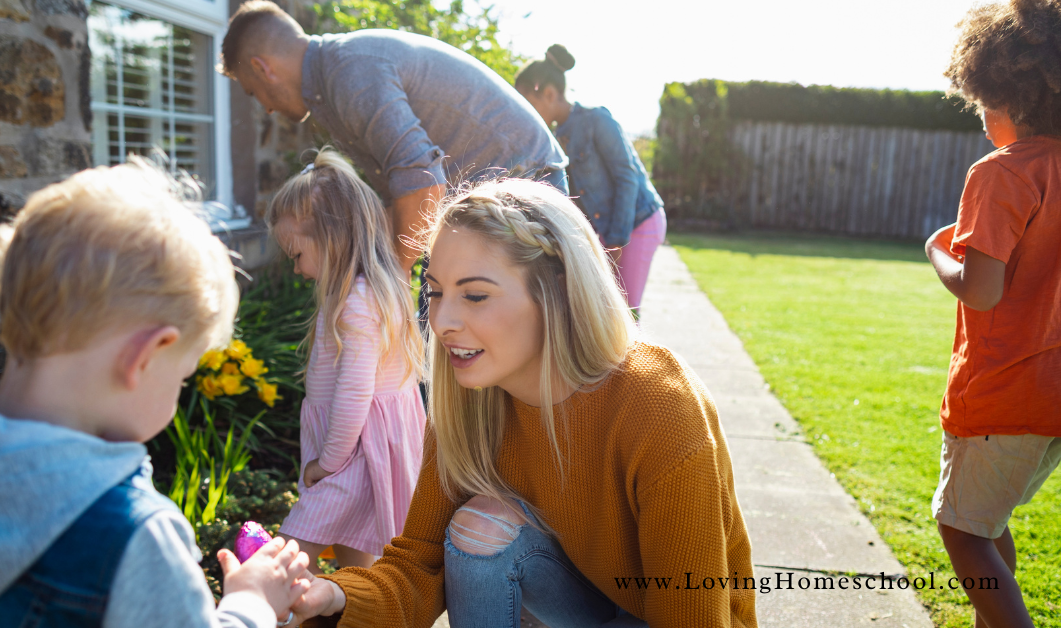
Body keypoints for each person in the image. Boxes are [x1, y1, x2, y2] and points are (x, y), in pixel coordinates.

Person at [0, 159, 312, 627]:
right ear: (147, 355)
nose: (178, 392)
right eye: (181, 378)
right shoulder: (135, 537)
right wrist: (251, 604)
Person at [290, 179, 756, 627]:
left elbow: (689, 617)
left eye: (475, 295)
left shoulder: (659, 405)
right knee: (482, 529)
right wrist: (333, 596)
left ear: (556, 288)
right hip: (576, 603)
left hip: (672, 615)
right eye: (434, 291)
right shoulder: (467, 401)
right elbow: (419, 566)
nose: (443, 320)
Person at [218, 0, 568, 274]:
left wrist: (392, 281)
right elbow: (403, 199)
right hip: (484, 195)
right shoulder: (332, 82)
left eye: (253, 92)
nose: (265, 109)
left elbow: (422, 184)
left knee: (451, 329)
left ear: (262, 68)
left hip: (527, 185)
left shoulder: (349, 74)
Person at [925, 1, 1061, 626]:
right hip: (1052, 401)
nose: (980, 115)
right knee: (991, 523)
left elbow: (980, 290)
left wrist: (937, 252)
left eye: (981, 100)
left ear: (1009, 93)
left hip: (1003, 394)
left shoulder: (1001, 173)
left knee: (963, 532)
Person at [265, 149, 427, 575]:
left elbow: (355, 393)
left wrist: (327, 462)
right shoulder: (364, 294)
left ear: (332, 239)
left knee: (288, 560)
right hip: (355, 452)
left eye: (297, 254)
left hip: (352, 457)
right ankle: (360, 615)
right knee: (357, 564)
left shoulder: (357, 304)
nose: (297, 270)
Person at [516, 45, 666, 316]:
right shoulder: (553, 137)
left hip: (638, 221)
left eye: (528, 103)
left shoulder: (597, 119)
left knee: (624, 314)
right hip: (608, 231)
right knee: (602, 314)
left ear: (549, 94)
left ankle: (640, 360)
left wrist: (616, 241)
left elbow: (627, 176)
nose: (525, 114)